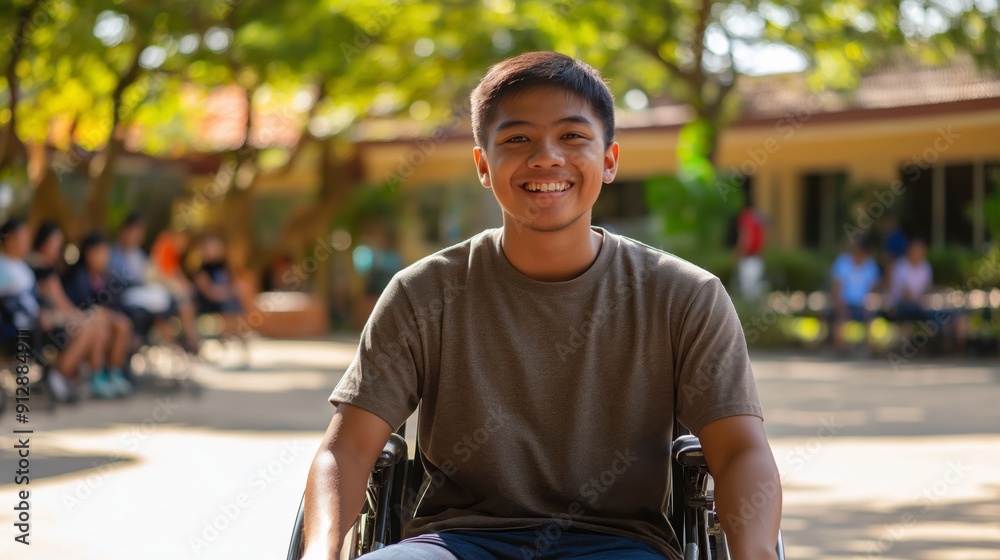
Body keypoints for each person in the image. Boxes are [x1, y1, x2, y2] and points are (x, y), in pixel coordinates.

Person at [302, 52, 780, 560]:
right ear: (484, 165)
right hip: (457, 542)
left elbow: (739, 451)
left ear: (610, 159)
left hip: (618, 545)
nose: (546, 157)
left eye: (572, 136)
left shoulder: (686, 295)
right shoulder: (423, 292)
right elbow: (347, 450)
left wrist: (757, 554)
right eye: (516, 139)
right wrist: (319, 552)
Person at [0, 218, 106, 402]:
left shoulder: (23, 267)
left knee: (93, 325)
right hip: (20, 326)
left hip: (39, 320)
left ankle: (69, 375)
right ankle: (58, 377)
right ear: (9, 239)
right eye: (23, 237)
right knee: (87, 326)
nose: (27, 242)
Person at [32, 223, 134, 397]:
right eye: (54, 244)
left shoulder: (101, 276)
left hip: (61, 316)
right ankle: (62, 375)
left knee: (116, 325)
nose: (56, 249)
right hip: (45, 320)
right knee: (92, 328)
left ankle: (105, 374)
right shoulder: (45, 269)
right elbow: (66, 304)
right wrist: (83, 316)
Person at [109, 213, 201, 352]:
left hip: (146, 293)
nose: (139, 237)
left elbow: (152, 275)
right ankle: (179, 345)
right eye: (136, 233)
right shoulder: (113, 254)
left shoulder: (138, 254)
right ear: (125, 231)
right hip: (124, 298)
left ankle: (184, 344)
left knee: (176, 303)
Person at [886, 239, 966, 354]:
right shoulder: (901, 266)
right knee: (922, 314)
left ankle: (942, 344)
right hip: (901, 305)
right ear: (910, 251)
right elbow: (905, 293)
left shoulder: (925, 266)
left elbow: (926, 289)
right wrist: (917, 299)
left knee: (938, 316)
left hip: (919, 305)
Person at [830, 237, 882, 351]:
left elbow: (874, 287)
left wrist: (871, 299)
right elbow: (836, 286)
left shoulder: (870, 265)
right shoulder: (842, 262)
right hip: (844, 302)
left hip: (864, 304)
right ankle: (839, 347)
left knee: (871, 311)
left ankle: (869, 347)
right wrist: (839, 302)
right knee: (841, 315)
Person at [733, 201, 766, 301]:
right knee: (753, 289)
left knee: (747, 290)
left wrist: (738, 253)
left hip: (748, 258)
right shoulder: (757, 219)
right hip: (757, 257)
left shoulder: (746, 219)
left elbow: (745, 237)